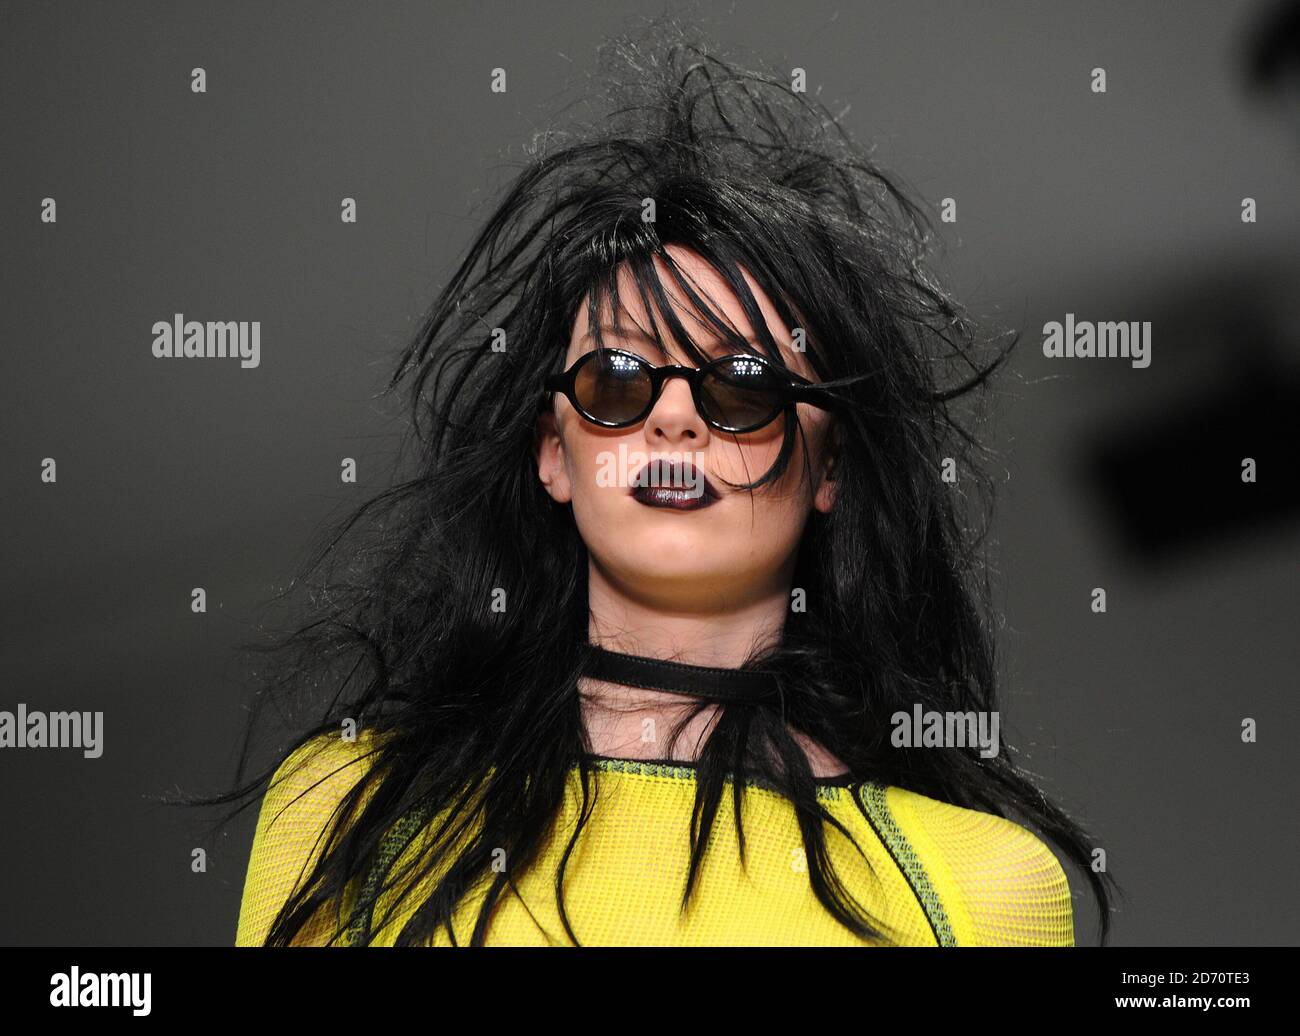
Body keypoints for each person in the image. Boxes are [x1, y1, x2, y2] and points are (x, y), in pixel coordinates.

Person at [222, 25, 1119, 947]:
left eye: (743, 387)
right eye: (617, 381)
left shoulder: (983, 882)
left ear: (833, 466)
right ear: (552, 452)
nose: (675, 421)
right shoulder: (348, 807)